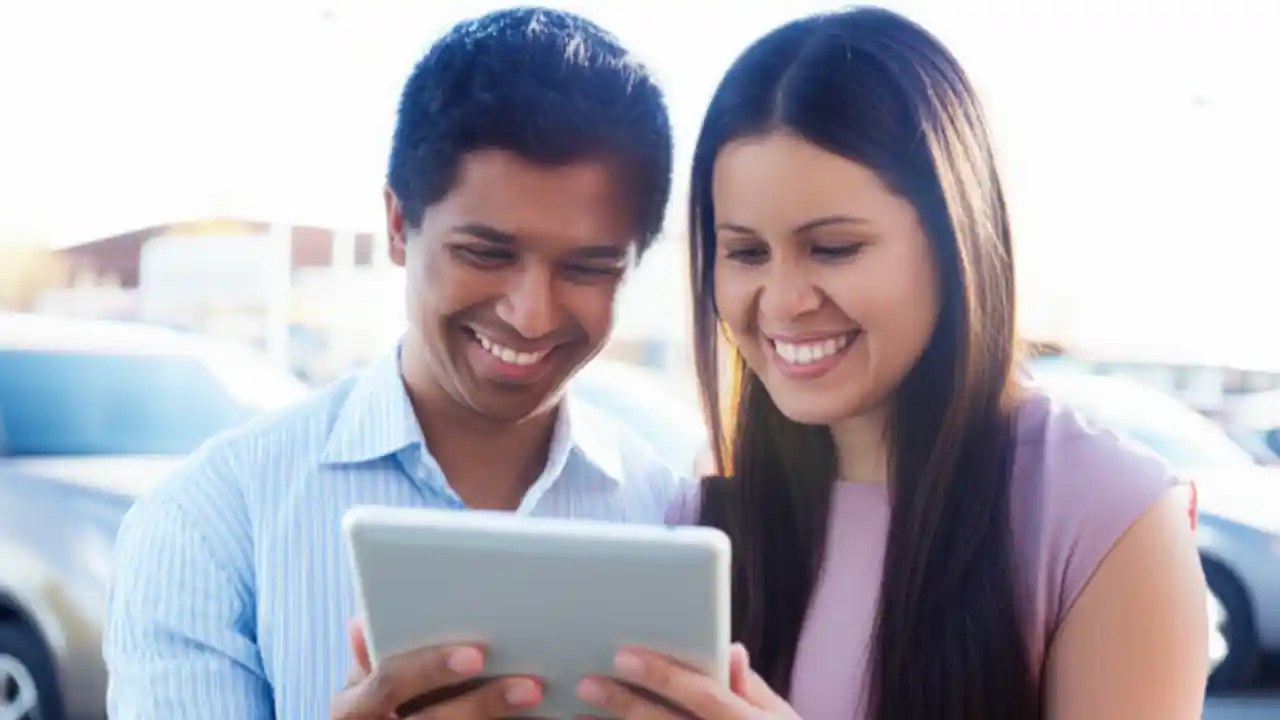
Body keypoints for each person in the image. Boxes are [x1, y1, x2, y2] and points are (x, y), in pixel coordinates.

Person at [576, 7, 1208, 720]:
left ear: (954, 237)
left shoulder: (1107, 514)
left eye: (834, 248)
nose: (783, 302)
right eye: (747, 253)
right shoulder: (701, 518)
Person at [104, 8, 687, 718]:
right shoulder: (214, 523)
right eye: (485, 254)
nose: (531, 314)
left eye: (589, 268)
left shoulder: (673, 520)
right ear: (396, 226)